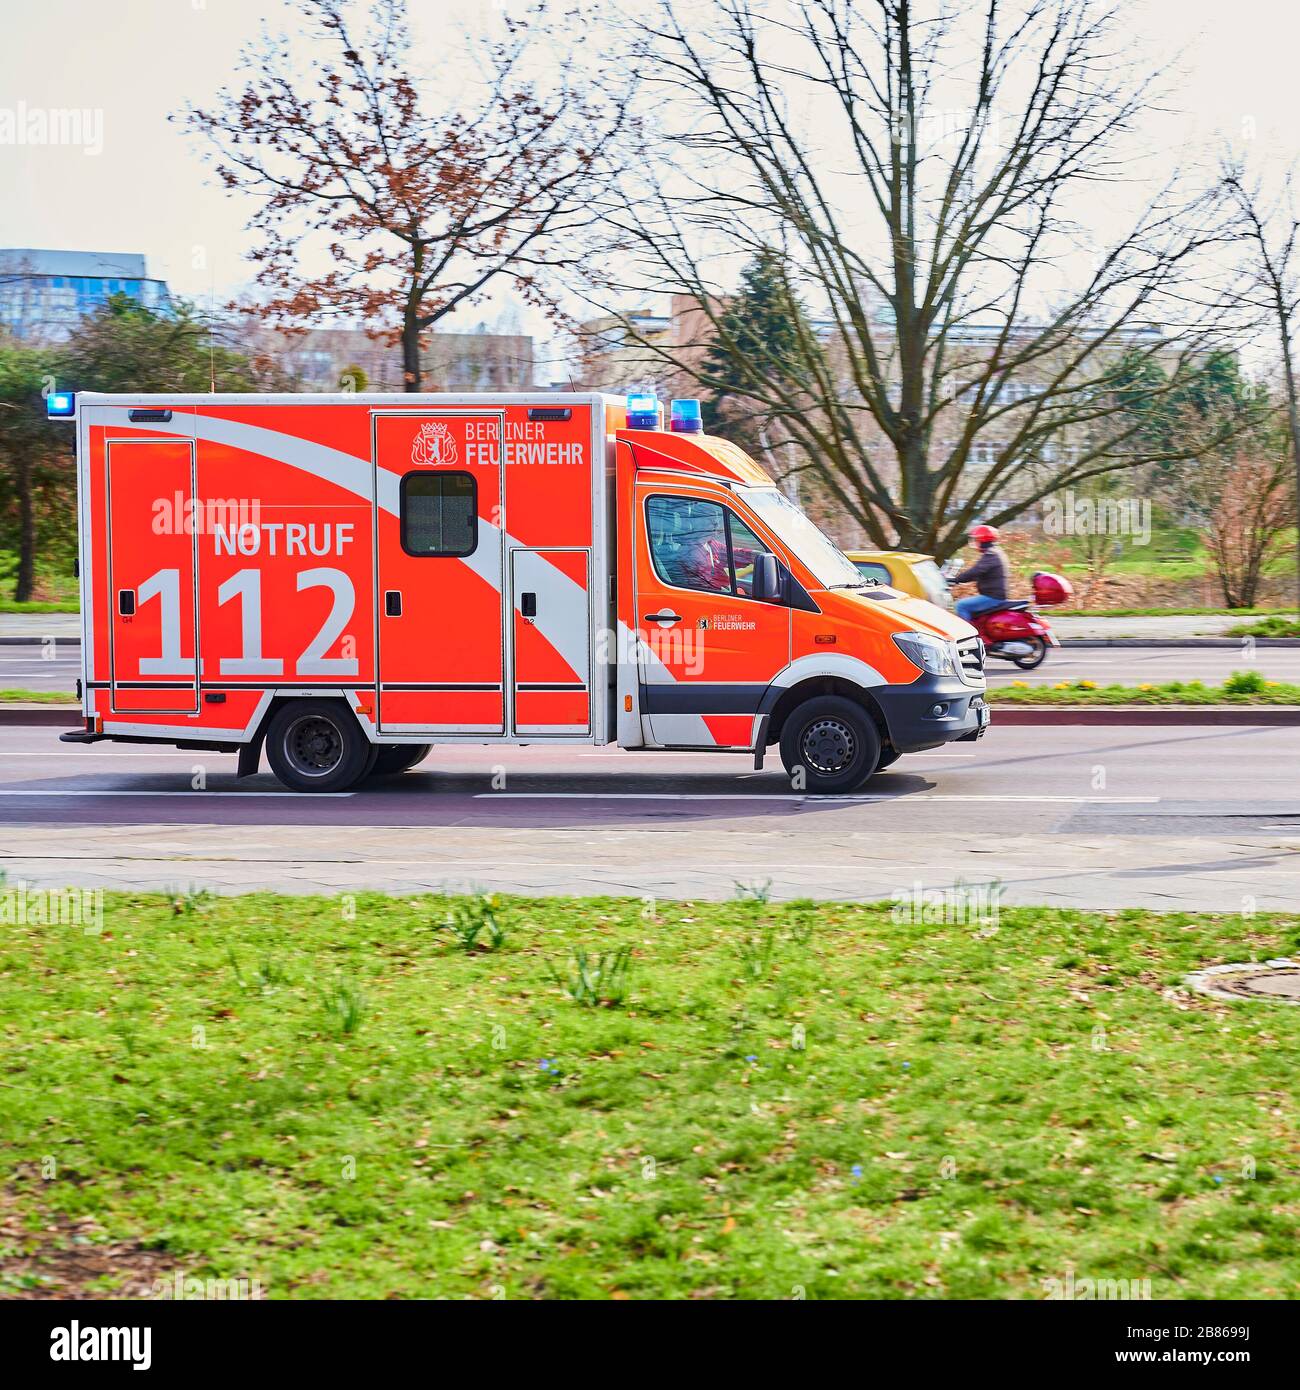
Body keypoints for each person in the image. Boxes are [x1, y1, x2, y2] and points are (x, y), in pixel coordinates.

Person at [951, 524, 1012, 622]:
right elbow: (979, 572)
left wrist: (956, 580)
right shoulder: (995, 552)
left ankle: (967, 634)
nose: (975, 543)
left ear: (983, 541)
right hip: (995, 595)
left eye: (976, 540)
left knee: (961, 605)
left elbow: (975, 571)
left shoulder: (991, 554)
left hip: (993, 597)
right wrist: (961, 578)